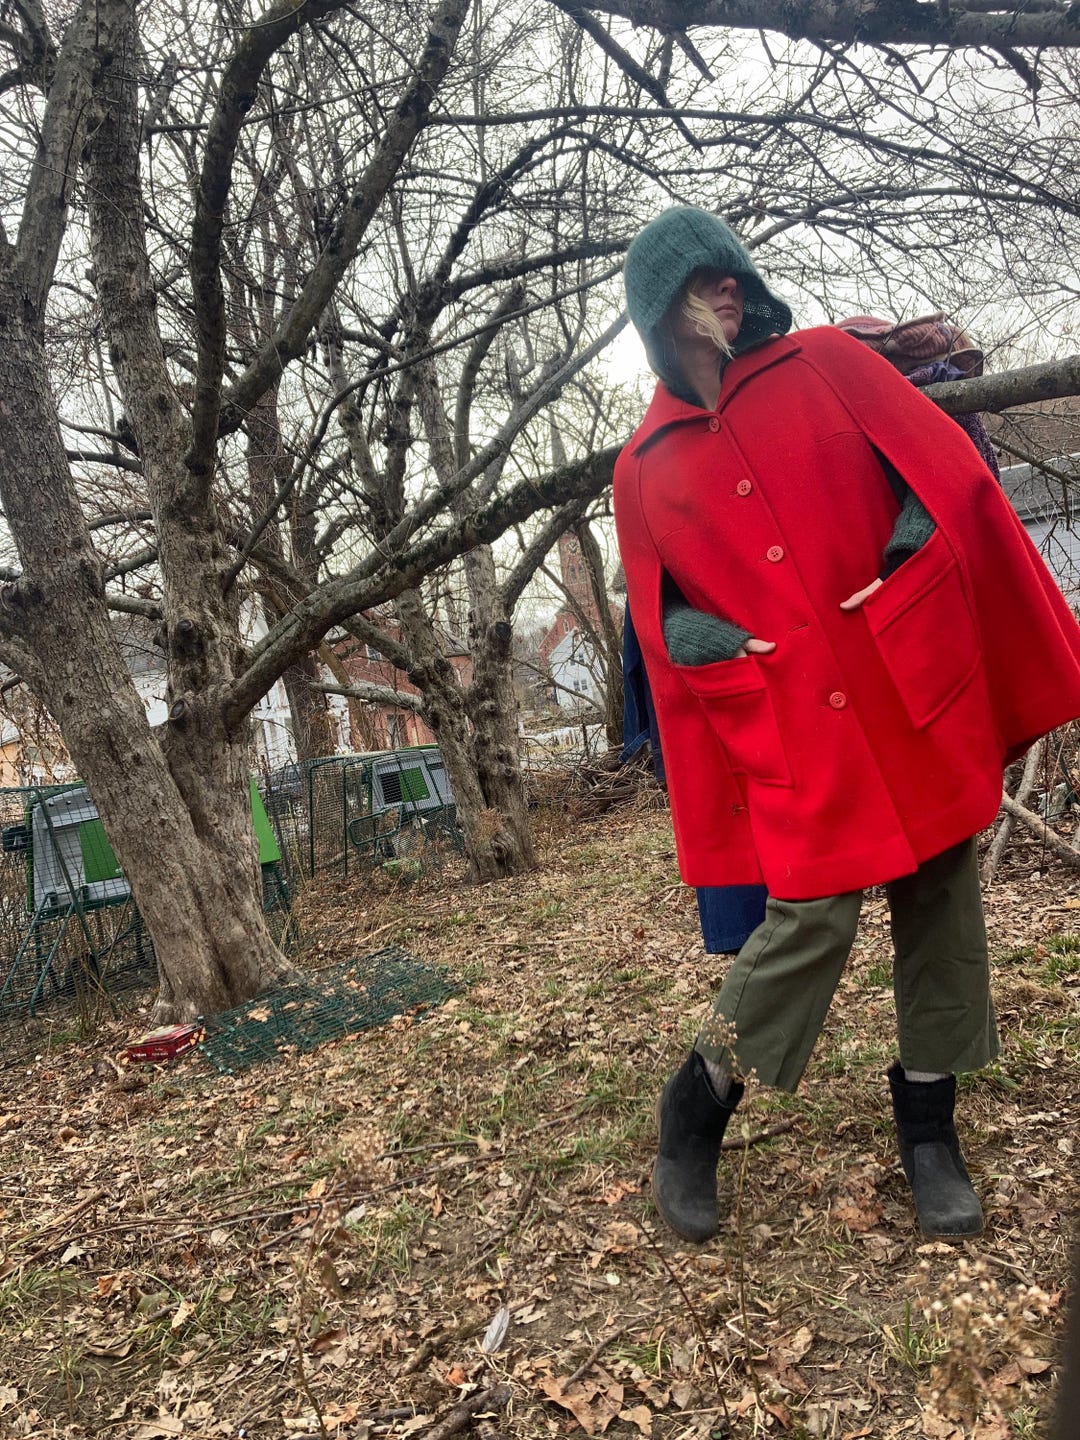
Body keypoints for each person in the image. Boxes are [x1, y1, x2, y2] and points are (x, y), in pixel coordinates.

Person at [614, 206, 1080, 1245]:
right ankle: (699, 1102)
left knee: (940, 888)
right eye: (705, 278)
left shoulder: (826, 362)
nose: (730, 285)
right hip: (787, 716)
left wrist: (909, 551)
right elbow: (657, 613)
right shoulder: (643, 465)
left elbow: (943, 468)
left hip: (900, 683)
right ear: (661, 309)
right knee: (809, 918)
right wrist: (703, 639)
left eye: (734, 272)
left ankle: (930, 1127)